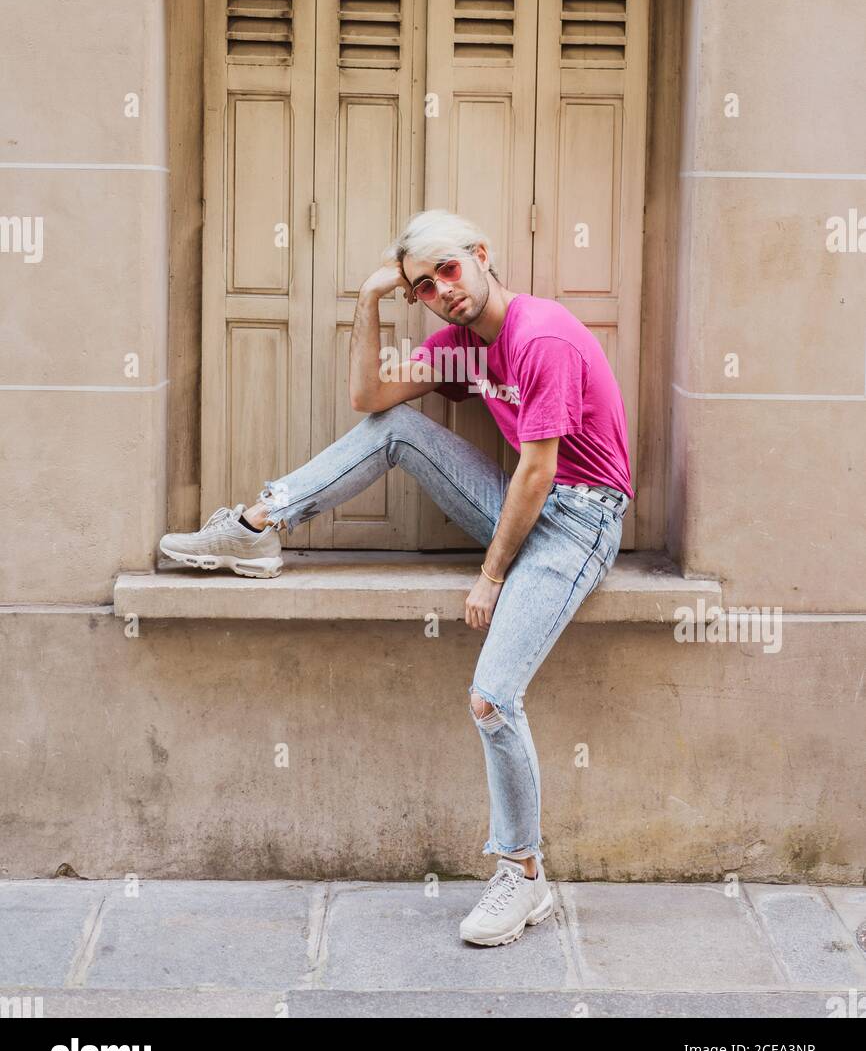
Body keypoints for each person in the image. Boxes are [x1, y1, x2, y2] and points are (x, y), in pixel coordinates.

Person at [159, 209, 633, 946]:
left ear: (481, 256)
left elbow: (539, 470)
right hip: (527, 508)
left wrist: (490, 576)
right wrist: (369, 301)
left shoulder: (539, 336)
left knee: (492, 699)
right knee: (401, 430)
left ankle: (524, 875)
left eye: (449, 269)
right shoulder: (464, 346)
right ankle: (259, 526)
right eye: (425, 284)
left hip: (578, 523)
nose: (443, 289)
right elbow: (372, 402)